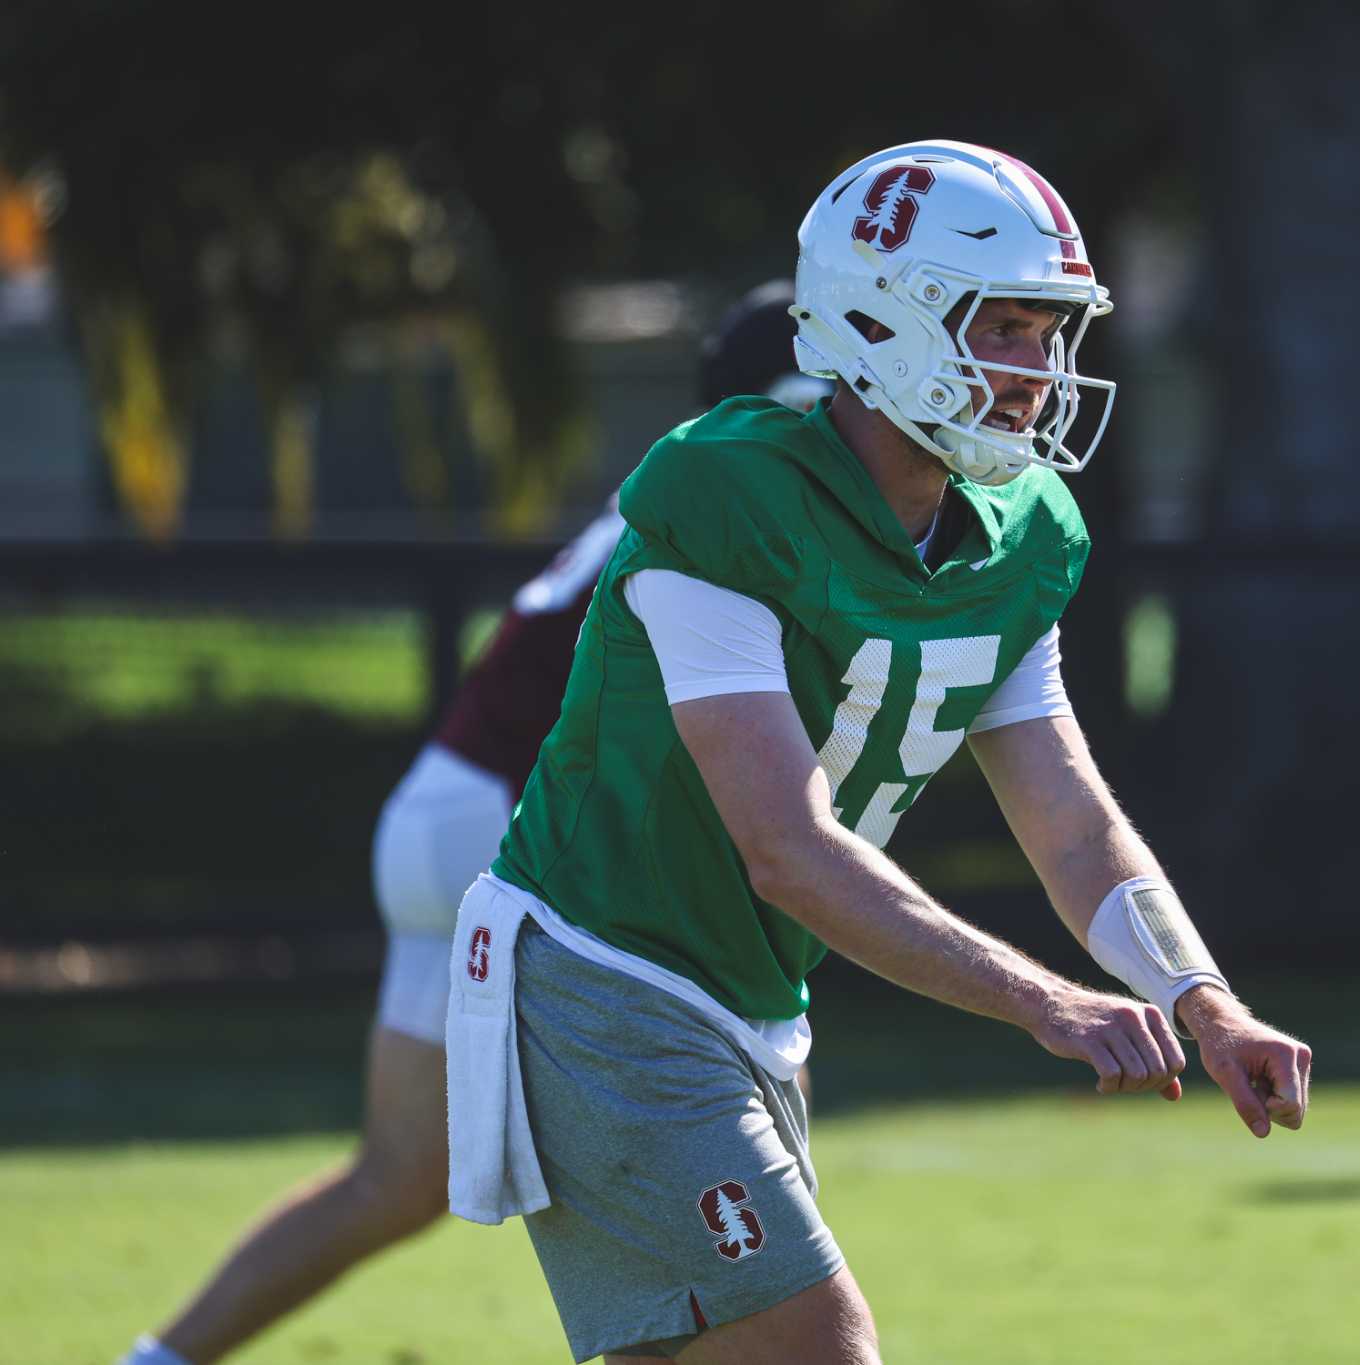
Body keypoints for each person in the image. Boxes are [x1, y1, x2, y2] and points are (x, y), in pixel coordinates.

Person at [441, 139, 1314, 1365]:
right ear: (877, 319)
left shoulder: (1018, 532)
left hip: (749, 1000)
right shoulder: (726, 492)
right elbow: (785, 849)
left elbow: (1070, 823)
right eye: (1001, 327)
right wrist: (1046, 1002)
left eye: (1047, 332)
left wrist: (1201, 1000)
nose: (1035, 371)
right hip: (607, 980)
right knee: (821, 1347)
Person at [116, 283, 829, 1365]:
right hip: (510, 824)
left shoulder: (688, 486)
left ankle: (155, 1360)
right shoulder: (737, 511)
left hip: (443, 807)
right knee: (734, 1114)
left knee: (396, 1178)